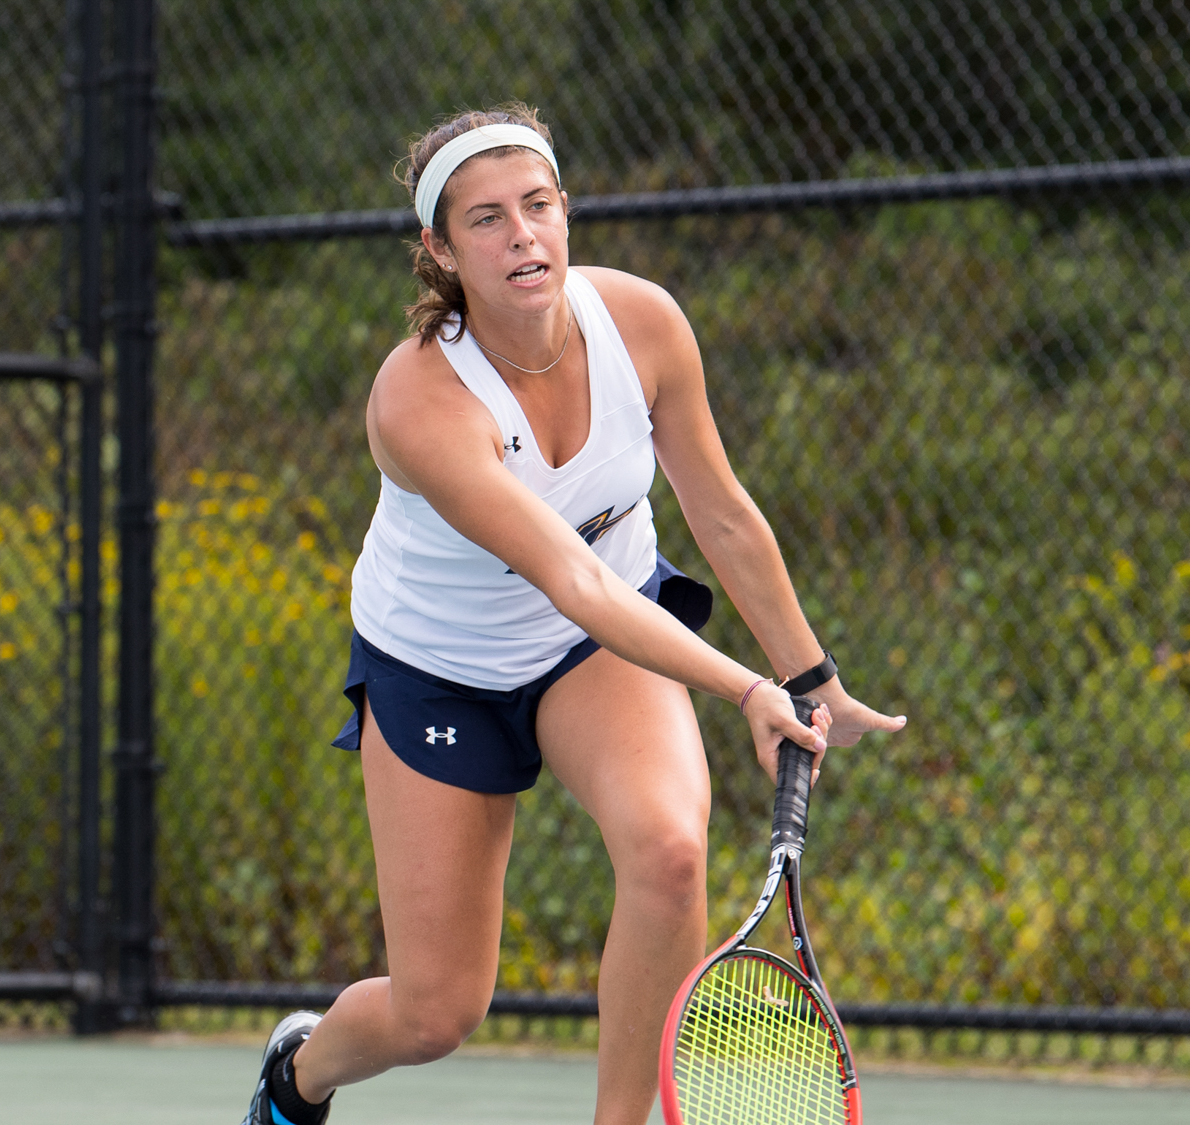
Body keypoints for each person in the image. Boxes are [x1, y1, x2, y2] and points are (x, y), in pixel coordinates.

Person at [244, 103, 906, 1125]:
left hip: (594, 651)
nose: (522, 235)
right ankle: (299, 1071)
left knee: (670, 852)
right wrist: (744, 687)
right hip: (440, 668)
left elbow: (721, 513)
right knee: (433, 1013)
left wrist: (812, 680)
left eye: (538, 206)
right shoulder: (419, 402)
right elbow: (576, 585)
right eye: (487, 219)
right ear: (439, 249)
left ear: (566, 213)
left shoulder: (641, 323)